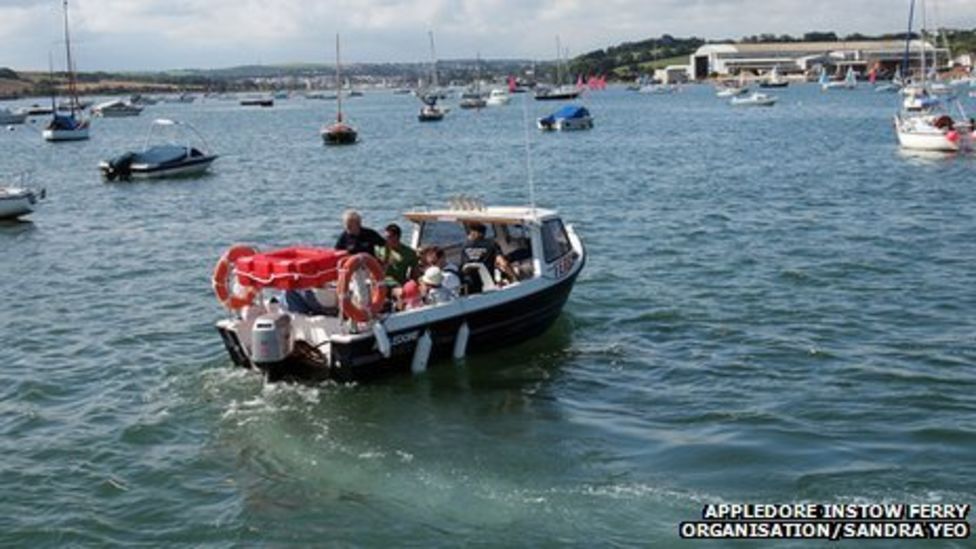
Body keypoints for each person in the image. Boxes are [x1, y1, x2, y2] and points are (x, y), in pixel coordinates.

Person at [460, 222, 516, 292]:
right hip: (488, 285)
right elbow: (503, 263)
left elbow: (463, 266)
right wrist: (514, 277)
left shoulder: (464, 246)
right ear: (483, 233)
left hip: (469, 287)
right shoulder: (491, 244)